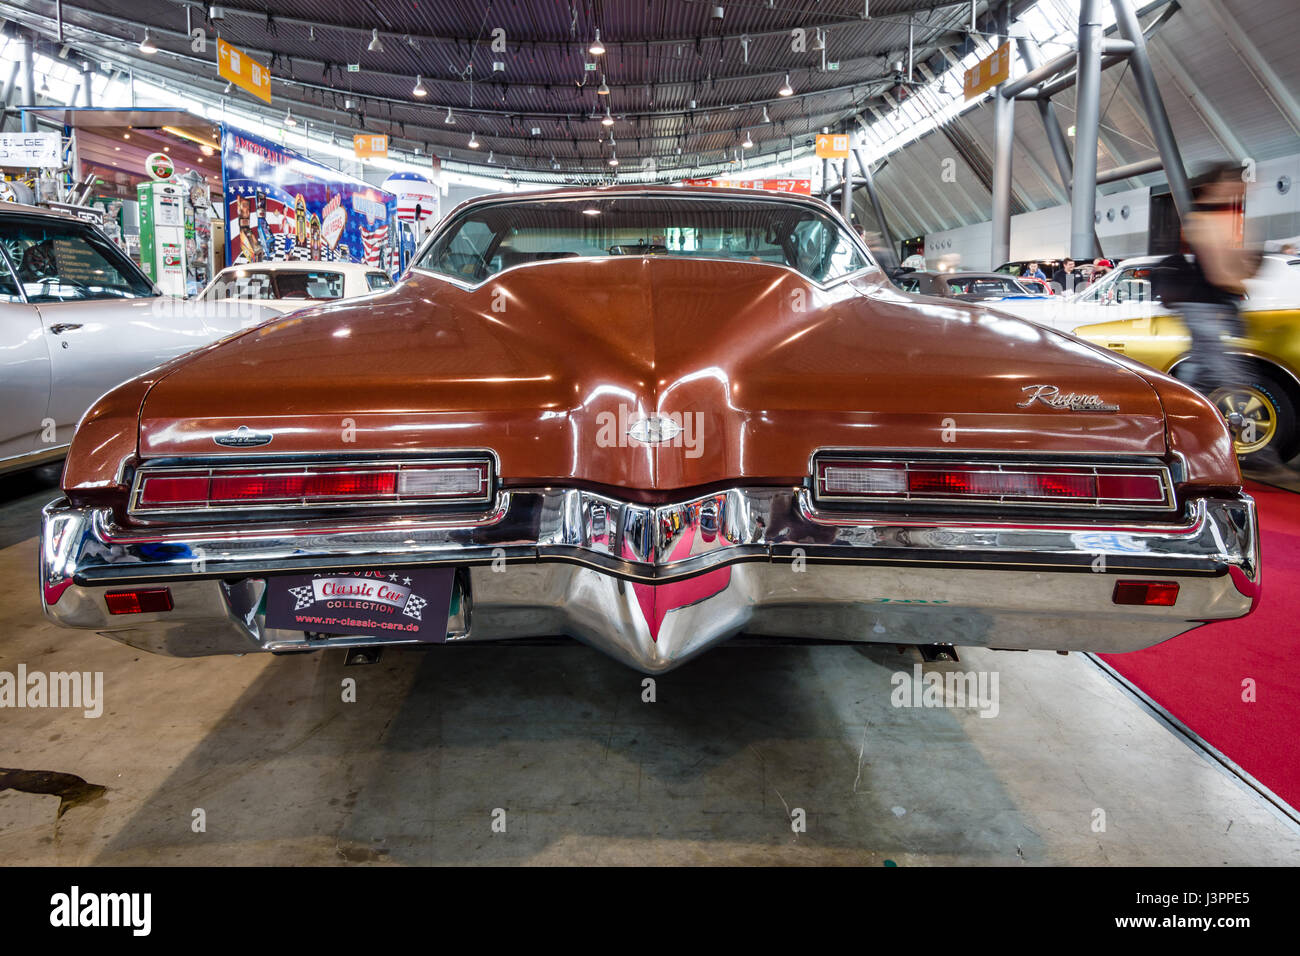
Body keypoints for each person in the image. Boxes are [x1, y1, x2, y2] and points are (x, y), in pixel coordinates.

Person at [1151, 162, 1260, 400]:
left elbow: (1236, 265)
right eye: (1235, 183)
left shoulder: (1222, 216)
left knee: (1203, 362)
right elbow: (1219, 271)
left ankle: (1182, 406)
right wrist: (1241, 280)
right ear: (1216, 185)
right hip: (1203, 305)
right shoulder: (1204, 219)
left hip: (1209, 304)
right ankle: (1234, 412)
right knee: (1226, 369)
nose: (1242, 188)